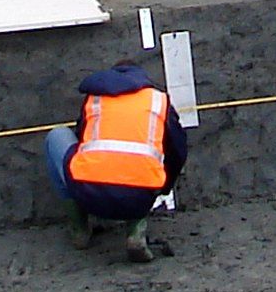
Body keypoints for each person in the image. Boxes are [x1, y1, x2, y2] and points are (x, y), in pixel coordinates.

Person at [43, 60, 188, 263]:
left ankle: (80, 231)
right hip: (139, 200)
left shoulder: (95, 99)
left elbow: (83, 137)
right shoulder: (158, 101)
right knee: (147, 161)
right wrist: (164, 188)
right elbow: (179, 150)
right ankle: (135, 232)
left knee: (57, 136)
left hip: (87, 194)